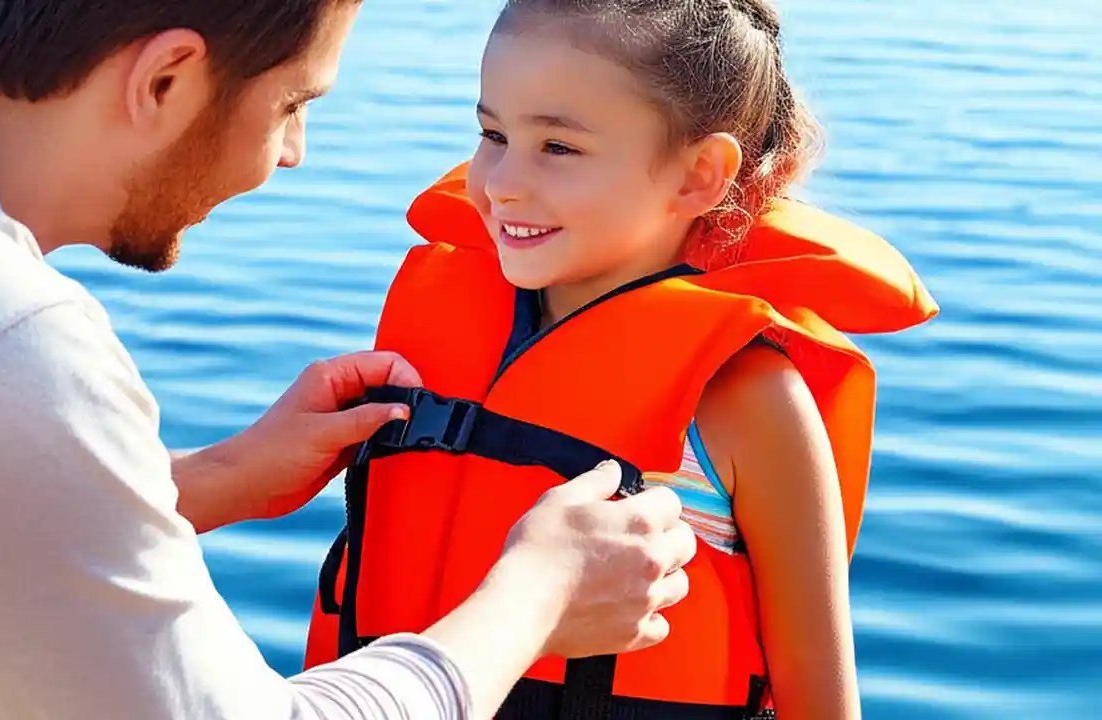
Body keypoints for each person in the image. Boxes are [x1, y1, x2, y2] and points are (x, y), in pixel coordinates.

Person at [0, 1, 702, 718]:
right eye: (292, 106)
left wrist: (213, 477)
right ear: (165, 79)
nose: (292, 154)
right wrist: (539, 595)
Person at [302, 1, 939, 718]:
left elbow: (820, 696)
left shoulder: (748, 398)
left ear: (701, 174)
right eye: (493, 134)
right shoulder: (428, 335)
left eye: (558, 148)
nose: (502, 181)